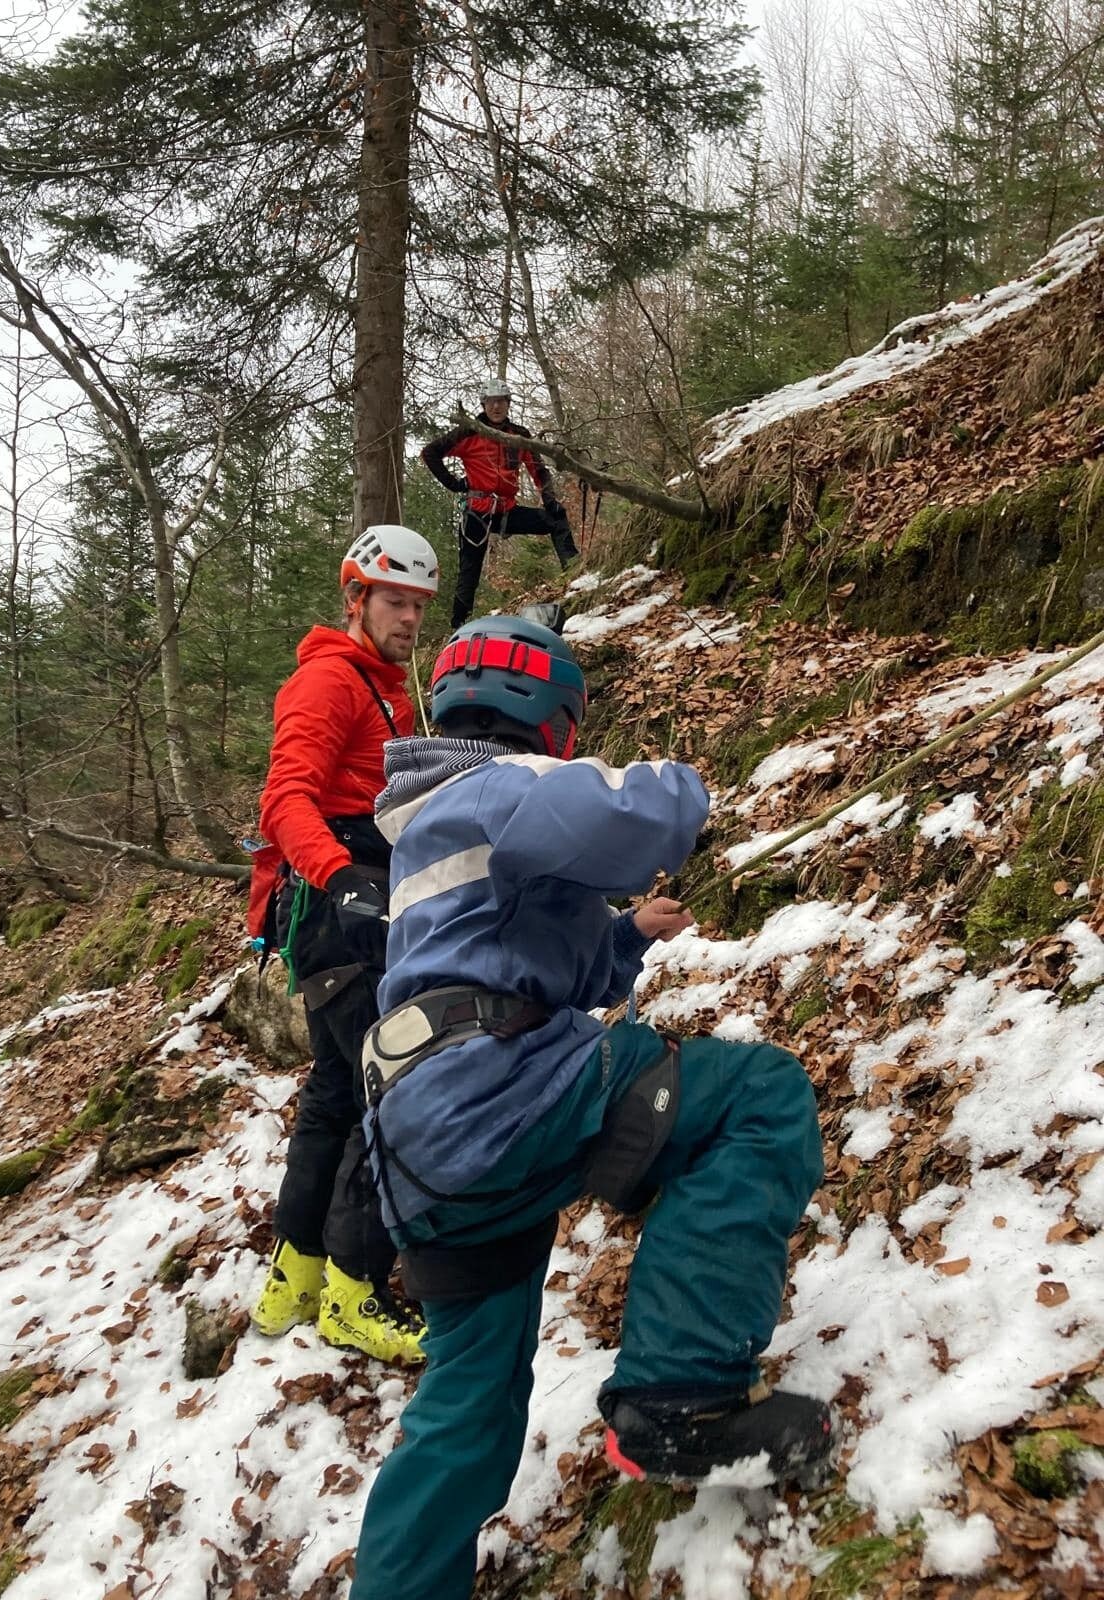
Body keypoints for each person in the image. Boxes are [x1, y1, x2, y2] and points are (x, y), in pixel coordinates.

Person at [349, 614, 834, 1599]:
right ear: (554, 717)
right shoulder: (504, 781)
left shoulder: (430, 821)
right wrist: (689, 791)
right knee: (758, 1099)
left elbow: (505, 959)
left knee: (467, 1403)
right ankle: (677, 1400)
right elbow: (633, 816)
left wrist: (628, 934)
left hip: (425, 1136)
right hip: (495, 1093)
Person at [249, 524, 439, 1365]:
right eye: (396, 601)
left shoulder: (387, 686)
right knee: (386, 1087)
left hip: (361, 897)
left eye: (419, 606)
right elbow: (284, 798)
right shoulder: (328, 681)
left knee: (337, 1088)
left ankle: (297, 1270)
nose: (409, 618)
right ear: (357, 599)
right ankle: (355, 1294)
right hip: (340, 905)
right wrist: (339, 877)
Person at [421, 378, 578, 630]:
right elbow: (430, 453)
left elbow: (539, 470)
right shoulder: (469, 432)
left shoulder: (519, 436)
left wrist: (549, 499)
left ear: (508, 404)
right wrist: (453, 483)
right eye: (492, 402)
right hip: (477, 513)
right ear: (483, 404)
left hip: (507, 510)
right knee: (469, 572)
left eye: (501, 401)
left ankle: (575, 576)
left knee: (556, 519)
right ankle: (458, 626)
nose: (496, 407)